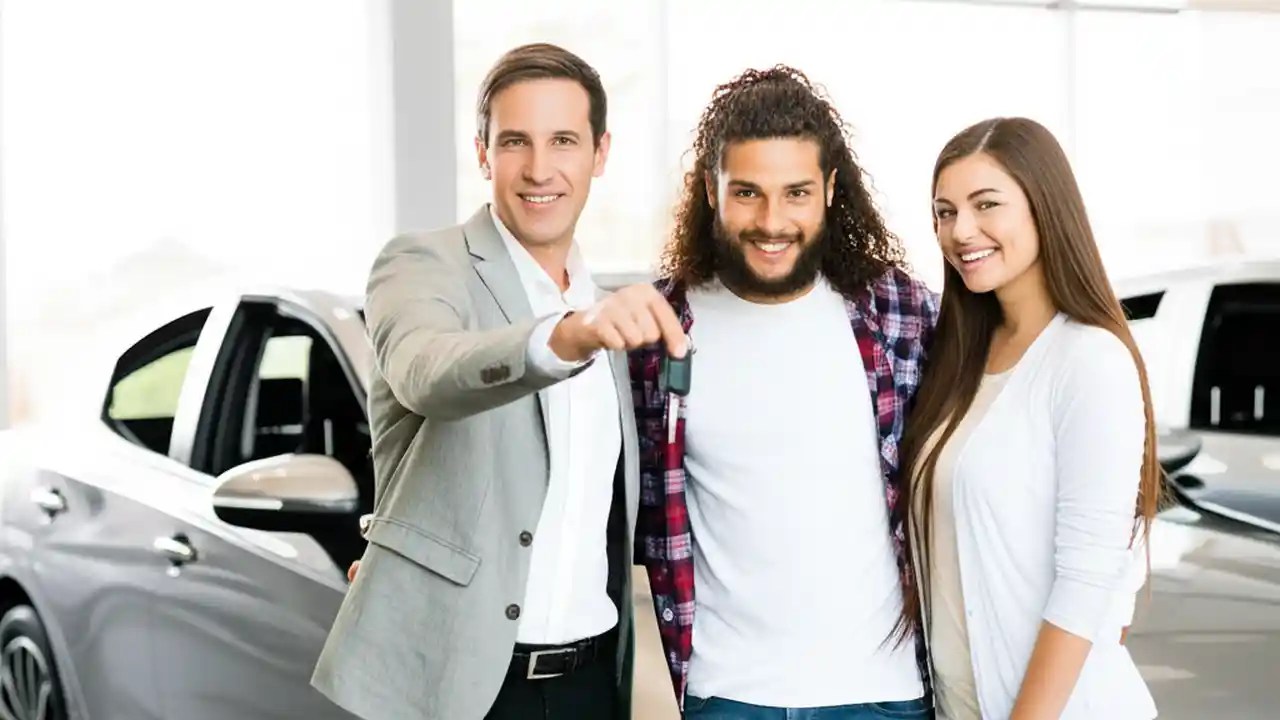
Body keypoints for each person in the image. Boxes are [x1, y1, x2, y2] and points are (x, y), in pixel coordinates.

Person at [311, 42, 686, 720]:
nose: (540, 169)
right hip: (459, 687)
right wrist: (565, 336)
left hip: (592, 682)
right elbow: (429, 370)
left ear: (600, 153)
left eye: (563, 141)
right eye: (515, 141)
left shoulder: (614, 302)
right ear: (483, 152)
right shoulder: (423, 266)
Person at [630, 65, 938, 719]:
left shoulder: (901, 314)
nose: (773, 221)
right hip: (722, 695)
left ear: (830, 189)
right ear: (710, 192)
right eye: (748, 192)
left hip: (880, 695)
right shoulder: (657, 328)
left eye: (796, 192)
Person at [898, 117, 1161, 719]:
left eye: (986, 205)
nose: (961, 230)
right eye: (944, 211)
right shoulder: (958, 357)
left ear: (1044, 207)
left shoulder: (1088, 359)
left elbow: (1088, 584)